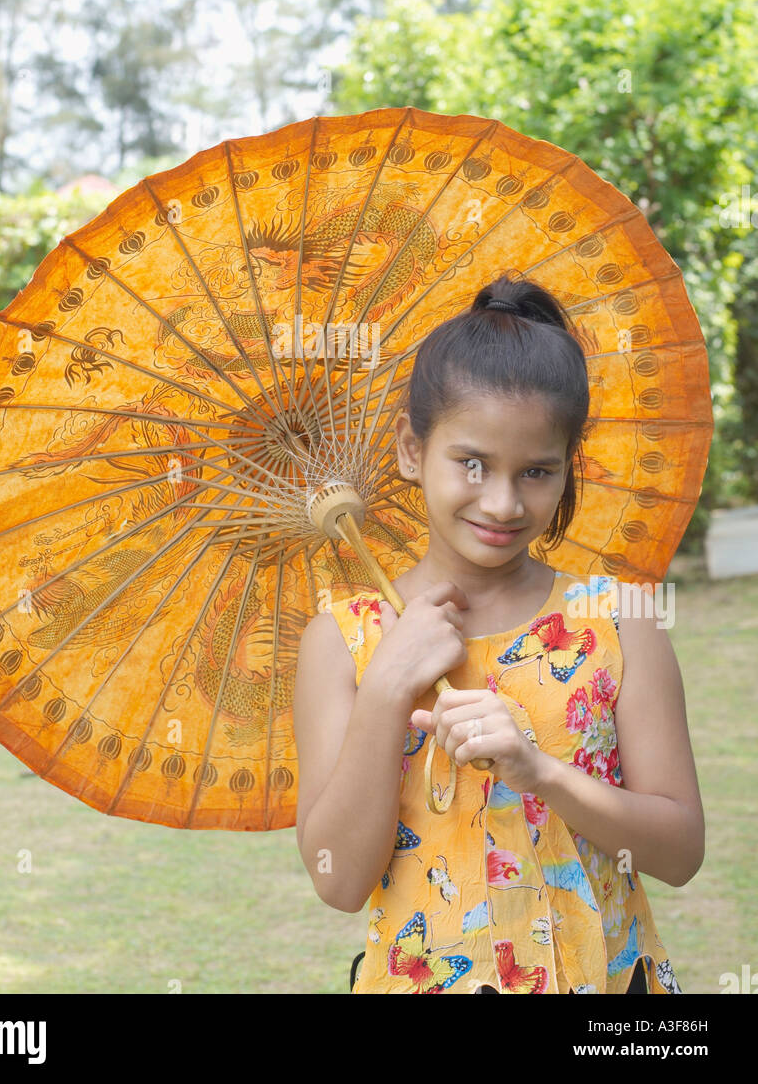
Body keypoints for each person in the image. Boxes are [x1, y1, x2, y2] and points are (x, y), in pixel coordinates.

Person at [292, 274, 704, 994]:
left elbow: (678, 852)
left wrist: (538, 772)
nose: (503, 501)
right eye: (471, 463)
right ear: (411, 450)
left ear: (566, 469)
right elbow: (337, 879)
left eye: (536, 472)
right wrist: (388, 687)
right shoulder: (343, 641)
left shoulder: (618, 623)